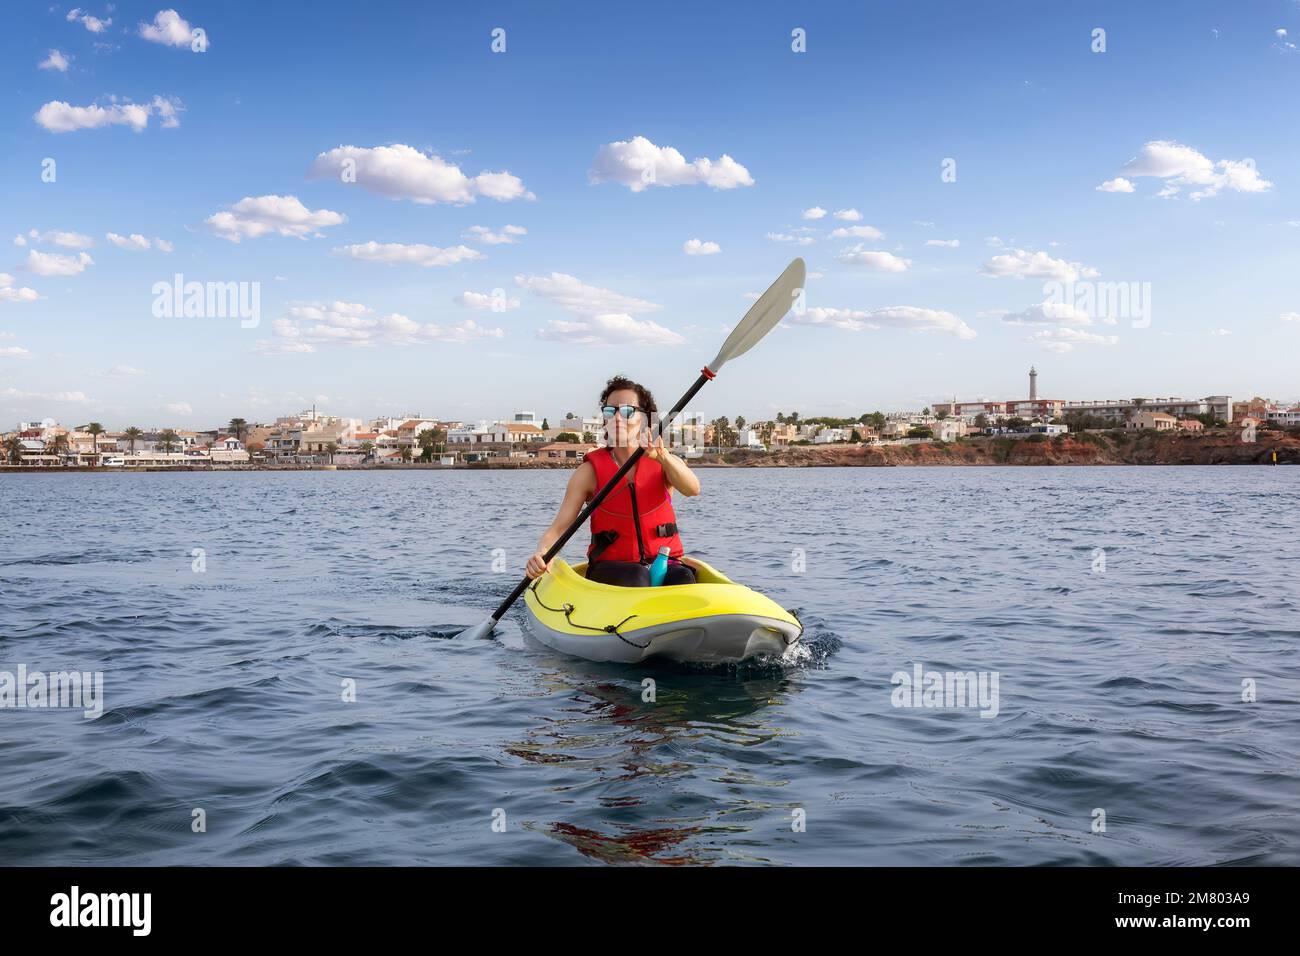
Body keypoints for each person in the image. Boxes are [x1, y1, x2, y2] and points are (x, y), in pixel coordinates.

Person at [525, 375, 701, 586]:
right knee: (637, 577)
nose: (617, 418)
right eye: (610, 411)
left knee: (684, 577)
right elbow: (559, 528)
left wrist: (662, 457)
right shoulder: (588, 472)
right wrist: (543, 552)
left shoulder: (664, 461)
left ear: (645, 419)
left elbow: (692, 489)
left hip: (663, 562)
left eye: (627, 411)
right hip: (612, 569)